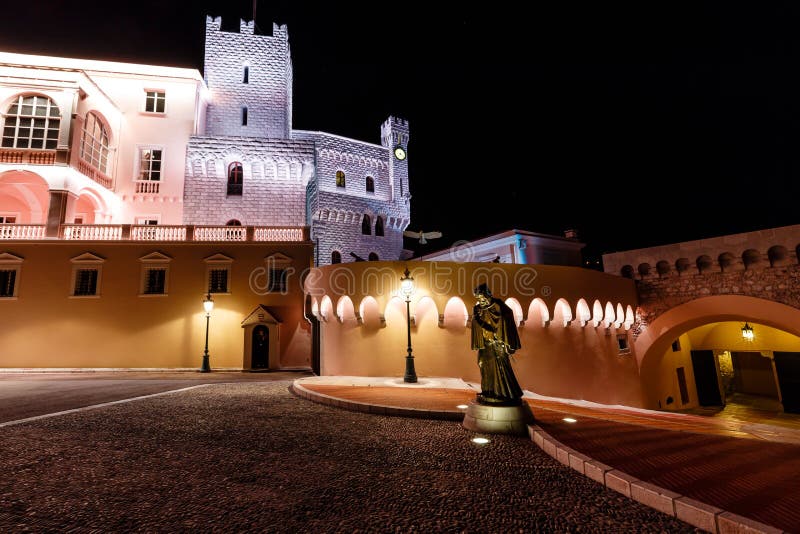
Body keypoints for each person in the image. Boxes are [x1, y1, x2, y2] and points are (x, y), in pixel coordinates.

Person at [471, 283, 524, 406]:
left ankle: (504, 394)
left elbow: (504, 320)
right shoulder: (479, 309)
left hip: (497, 344)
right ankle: (488, 391)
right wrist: (476, 316)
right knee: (482, 363)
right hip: (486, 345)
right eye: (478, 298)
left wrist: (502, 338)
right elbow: (477, 324)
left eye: (482, 298)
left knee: (500, 369)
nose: (481, 301)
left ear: (488, 295)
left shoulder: (499, 306)